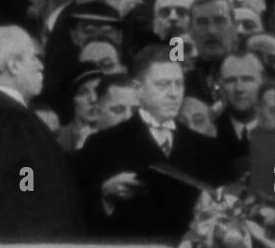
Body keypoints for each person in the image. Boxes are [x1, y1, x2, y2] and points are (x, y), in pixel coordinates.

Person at [75, 45, 225, 238]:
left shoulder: (207, 148)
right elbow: (77, 209)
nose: (173, 93)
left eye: (178, 84)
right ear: (138, 90)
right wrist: (104, 194)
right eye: (163, 85)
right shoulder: (102, 144)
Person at [0, 26, 84, 239]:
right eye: (34, 58)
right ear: (13, 65)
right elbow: (27, 184)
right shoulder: (15, 122)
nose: (40, 66)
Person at [214, 51, 265, 182]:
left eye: (247, 79)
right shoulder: (209, 133)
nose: (239, 88)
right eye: (230, 81)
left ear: (262, 82)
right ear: (221, 85)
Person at [185, 0, 238, 106]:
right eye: (202, 23)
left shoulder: (254, 76)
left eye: (220, 21)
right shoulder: (180, 82)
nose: (211, 31)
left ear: (234, 27)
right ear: (190, 30)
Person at [57, 64, 105, 152]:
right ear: (71, 100)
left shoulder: (115, 130)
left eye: (98, 90)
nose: (93, 99)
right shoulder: (60, 140)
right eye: (83, 92)